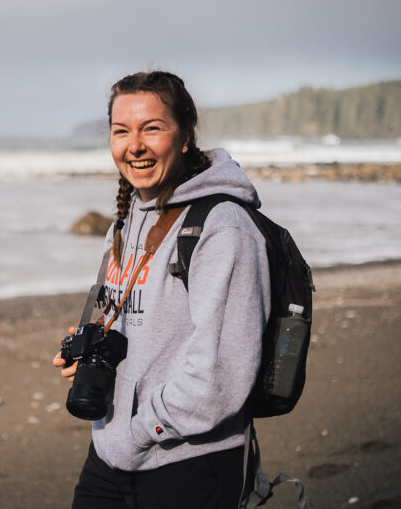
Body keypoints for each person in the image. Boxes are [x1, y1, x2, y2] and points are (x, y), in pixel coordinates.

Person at [53, 71, 270, 508]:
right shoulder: (127, 218)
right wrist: (94, 352)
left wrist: (139, 431)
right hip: (110, 452)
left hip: (187, 463)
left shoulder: (223, 228)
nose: (134, 146)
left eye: (151, 128)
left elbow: (220, 378)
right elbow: (138, 322)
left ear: (185, 136)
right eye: (121, 131)